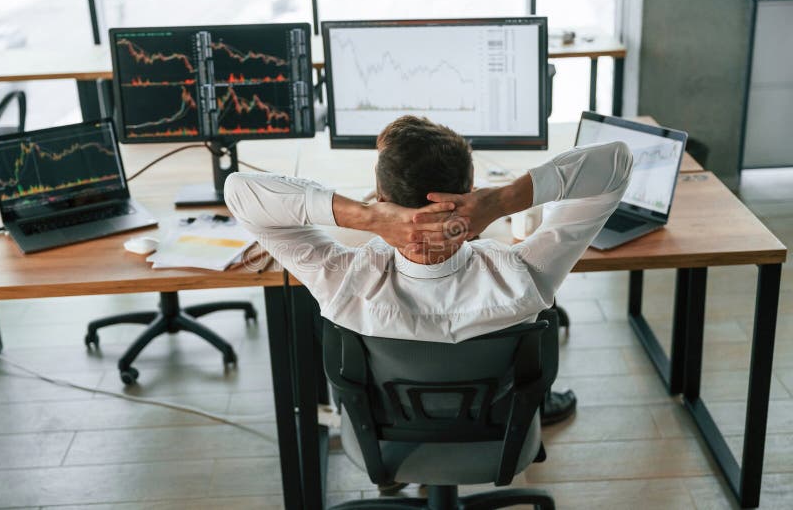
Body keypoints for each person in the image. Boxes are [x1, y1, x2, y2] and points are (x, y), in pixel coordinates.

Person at [225, 115, 632, 490]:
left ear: (381, 196)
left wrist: (366, 216)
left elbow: (239, 192)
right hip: (498, 434)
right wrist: (501, 201)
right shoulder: (524, 277)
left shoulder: (342, 281)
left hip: (383, 442)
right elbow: (616, 163)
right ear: (470, 192)